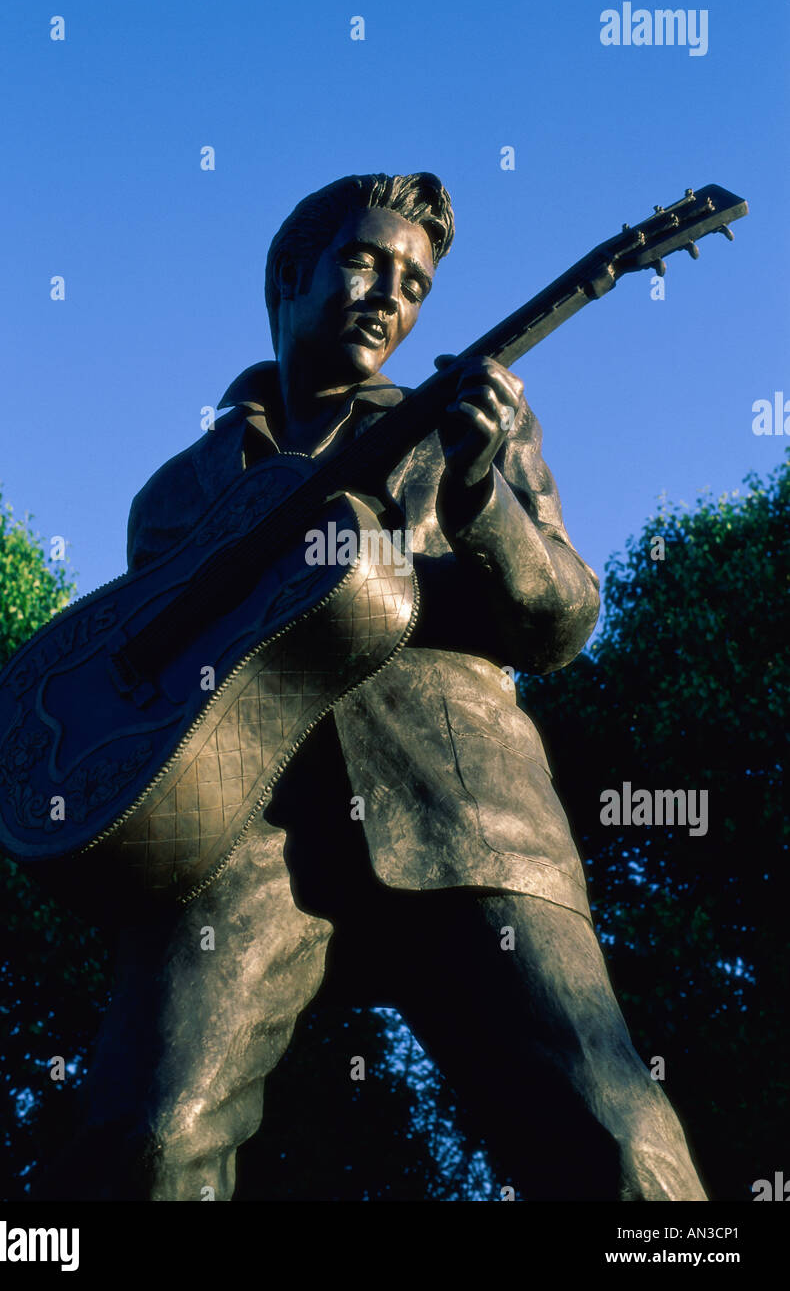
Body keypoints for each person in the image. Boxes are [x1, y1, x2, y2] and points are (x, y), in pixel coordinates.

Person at [41, 173, 707, 1202]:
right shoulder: (176, 493)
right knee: (145, 1143)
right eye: (364, 262)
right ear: (291, 272)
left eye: (414, 283)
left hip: (464, 810)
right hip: (241, 826)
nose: (389, 297)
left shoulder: (465, 429)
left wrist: (479, 495)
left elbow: (563, 617)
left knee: (620, 1148)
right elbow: (154, 691)